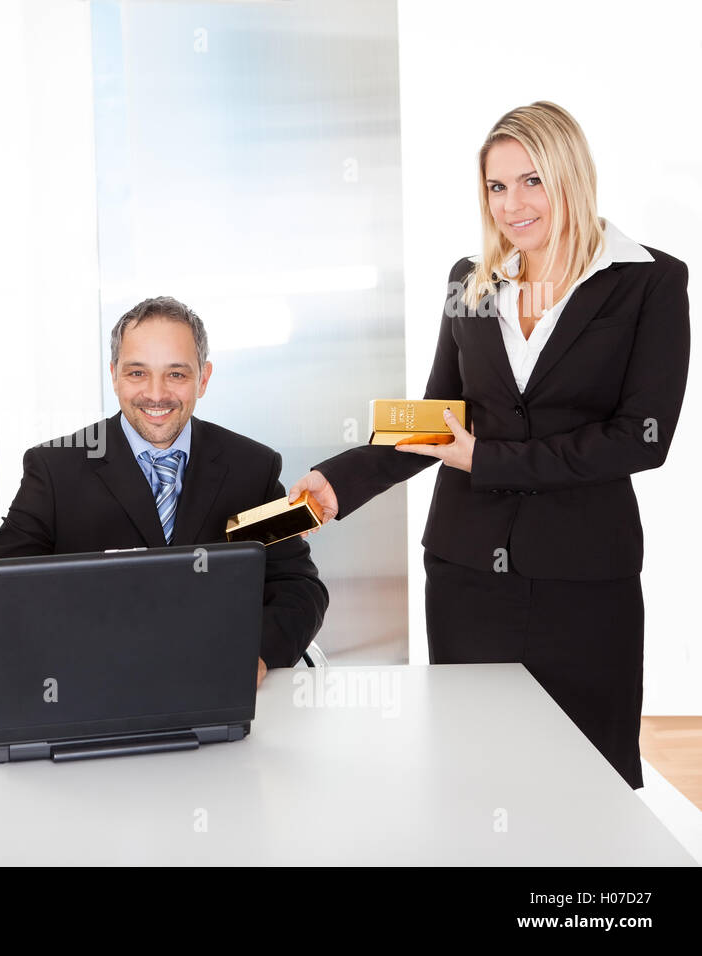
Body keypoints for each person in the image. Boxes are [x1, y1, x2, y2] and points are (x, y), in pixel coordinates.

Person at [289, 101, 690, 788]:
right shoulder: (469, 283)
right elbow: (438, 417)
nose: (512, 205)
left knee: (592, 776)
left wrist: (492, 459)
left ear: (571, 175)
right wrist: (343, 479)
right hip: (467, 572)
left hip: (586, 577)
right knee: (476, 775)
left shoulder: (649, 281)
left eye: (532, 181)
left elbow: (640, 438)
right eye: (496, 187)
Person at [0, 296, 329, 720]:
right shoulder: (56, 468)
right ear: (114, 376)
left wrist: (254, 657)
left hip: (215, 701)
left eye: (176, 374)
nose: (156, 394)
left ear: (203, 379)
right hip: (91, 700)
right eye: (137, 373)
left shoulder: (251, 468)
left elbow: (299, 586)